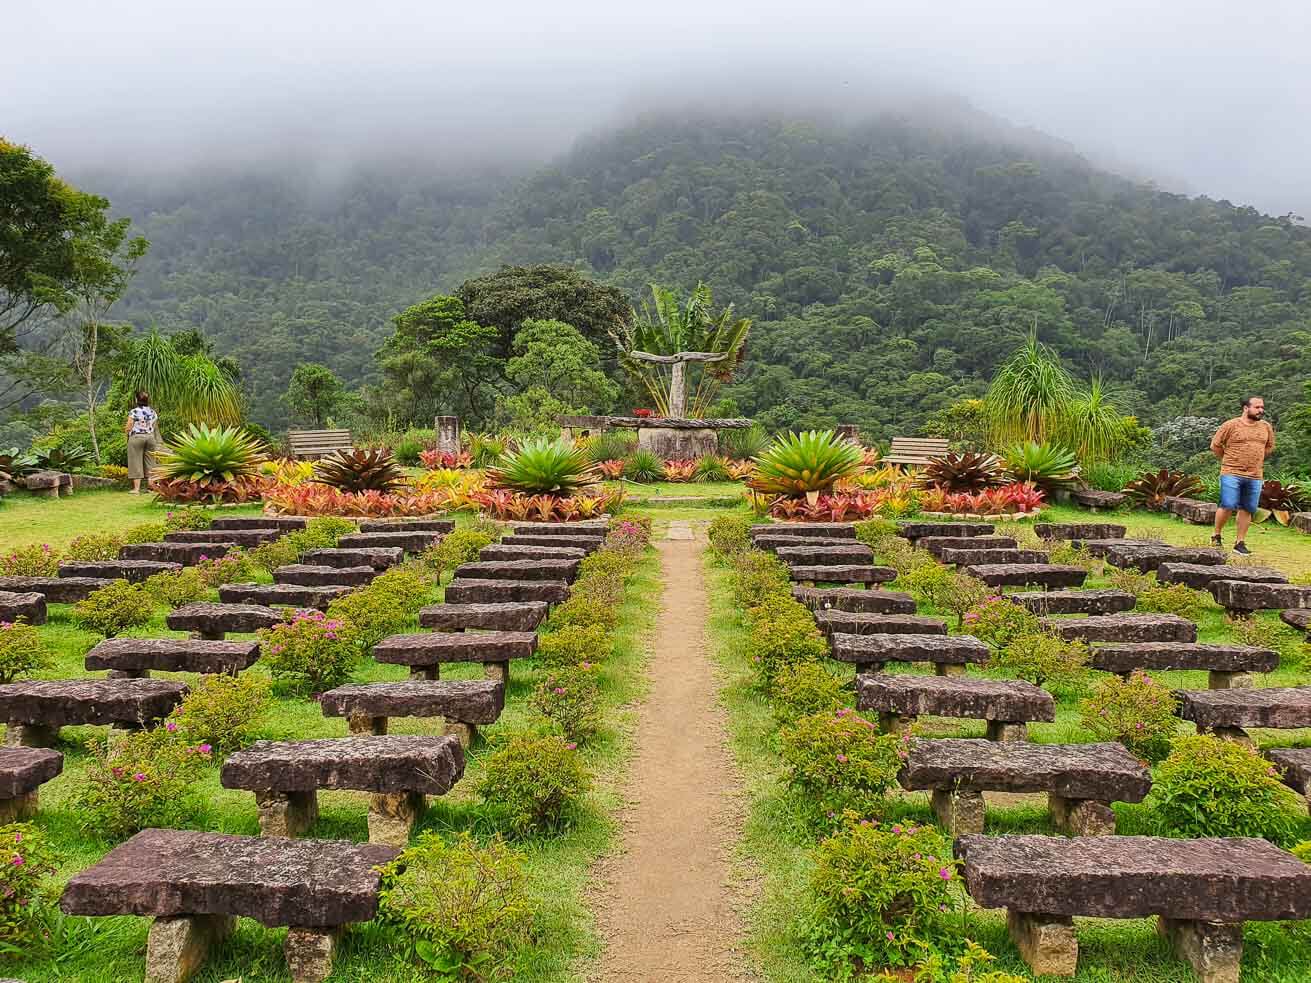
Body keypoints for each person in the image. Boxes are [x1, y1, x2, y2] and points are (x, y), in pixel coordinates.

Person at [1210, 396, 1275, 555]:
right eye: (1257, 407)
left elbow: (1270, 447)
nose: (1261, 410)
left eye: (1262, 407)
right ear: (1246, 408)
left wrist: (1256, 459)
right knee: (1228, 504)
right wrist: (1228, 460)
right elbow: (1215, 445)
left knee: (1248, 508)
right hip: (1231, 472)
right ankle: (1216, 535)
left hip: (1255, 475)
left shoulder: (1266, 427)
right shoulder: (1230, 425)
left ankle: (1240, 542)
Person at [125, 391, 160, 494]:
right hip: (150, 437)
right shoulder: (153, 412)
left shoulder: (134, 411)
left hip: (136, 437)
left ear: (137, 400)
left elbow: (129, 424)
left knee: (135, 461)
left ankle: (136, 489)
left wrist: (127, 433)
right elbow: (153, 425)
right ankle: (151, 487)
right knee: (150, 462)